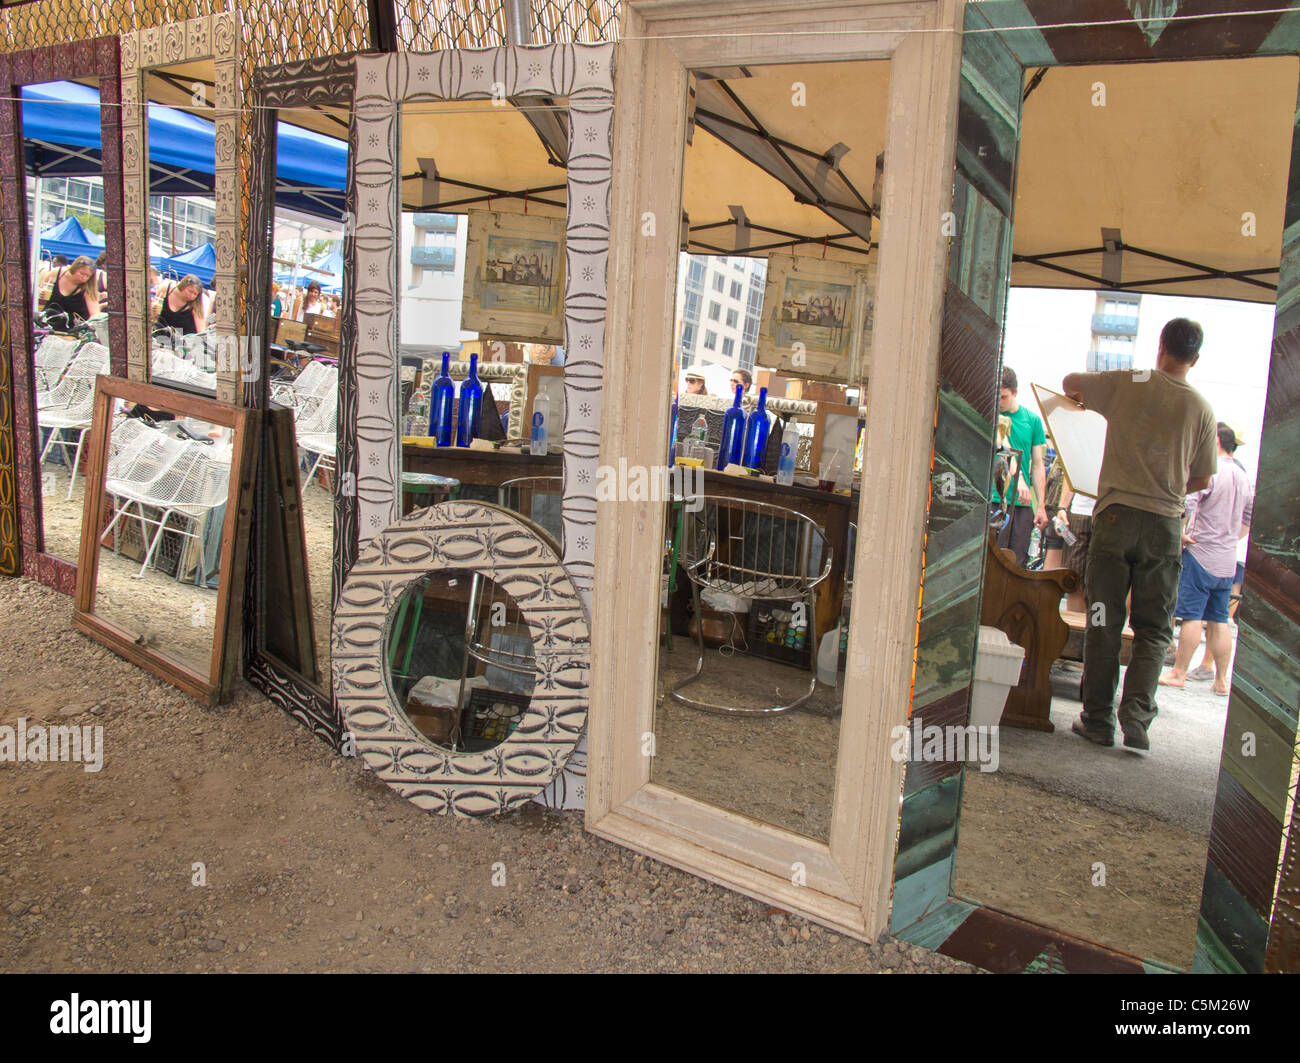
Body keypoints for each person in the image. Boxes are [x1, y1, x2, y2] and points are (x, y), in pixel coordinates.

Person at [1062, 318, 1217, 751]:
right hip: (1165, 528)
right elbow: (1202, 479)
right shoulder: (1201, 408)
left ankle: (1096, 720)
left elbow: (1070, 381)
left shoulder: (1133, 381)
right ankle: (1136, 720)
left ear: (1160, 346)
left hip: (1114, 521)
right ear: (1195, 359)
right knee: (1154, 630)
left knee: (1102, 621)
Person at [1159, 422, 1253, 696]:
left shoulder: (1211, 470)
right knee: (1220, 619)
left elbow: (1187, 502)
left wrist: (1181, 534)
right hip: (1227, 559)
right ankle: (1222, 680)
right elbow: (1248, 518)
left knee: (1191, 616)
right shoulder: (1245, 477)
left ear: (1217, 443)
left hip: (1201, 553)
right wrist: (1230, 539)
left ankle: (1179, 672)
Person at [991, 366, 1047, 566]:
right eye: (997, 396)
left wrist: (1041, 505)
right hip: (997, 499)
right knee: (992, 559)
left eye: (1004, 397)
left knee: (1017, 562)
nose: (999, 401)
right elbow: (1005, 448)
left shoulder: (1032, 421)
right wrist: (1019, 479)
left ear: (1015, 393)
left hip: (1022, 504)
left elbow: (1038, 465)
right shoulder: (994, 415)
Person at [42, 254, 100, 329]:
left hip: (72, 330)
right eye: (82, 273)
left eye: (88, 276)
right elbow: (40, 290)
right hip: (47, 325)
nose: (84, 278)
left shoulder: (88, 287)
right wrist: (41, 293)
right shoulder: (56, 273)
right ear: (74, 268)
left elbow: (95, 314)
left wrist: (86, 326)